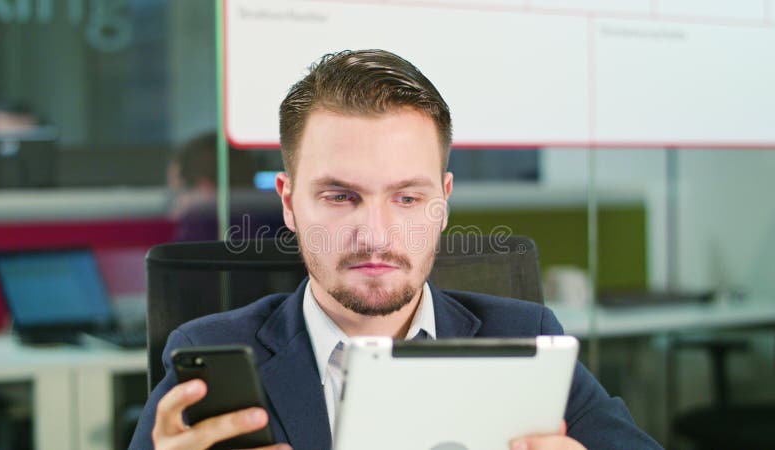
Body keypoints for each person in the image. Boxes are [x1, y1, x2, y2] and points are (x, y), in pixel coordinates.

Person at [130, 50, 663, 450]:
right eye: (341, 197)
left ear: (443, 202)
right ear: (290, 204)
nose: (376, 235)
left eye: (407, 197)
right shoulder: (211, 351)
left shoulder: (526, 337)